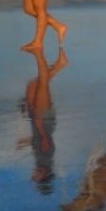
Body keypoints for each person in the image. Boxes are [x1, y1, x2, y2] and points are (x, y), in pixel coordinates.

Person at [23, 47, 67, 195]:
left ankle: (58, 65)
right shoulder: (46, 159)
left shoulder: (41, 161)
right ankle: (39, 54)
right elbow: (45, 139)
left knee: (33, 85)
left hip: (38, 118)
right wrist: (39, 121)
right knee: (41, 84)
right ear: (44, 176)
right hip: (43, 118)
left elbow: (38, 141)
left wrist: (27, 141)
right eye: (36, 179)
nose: (33, 177)